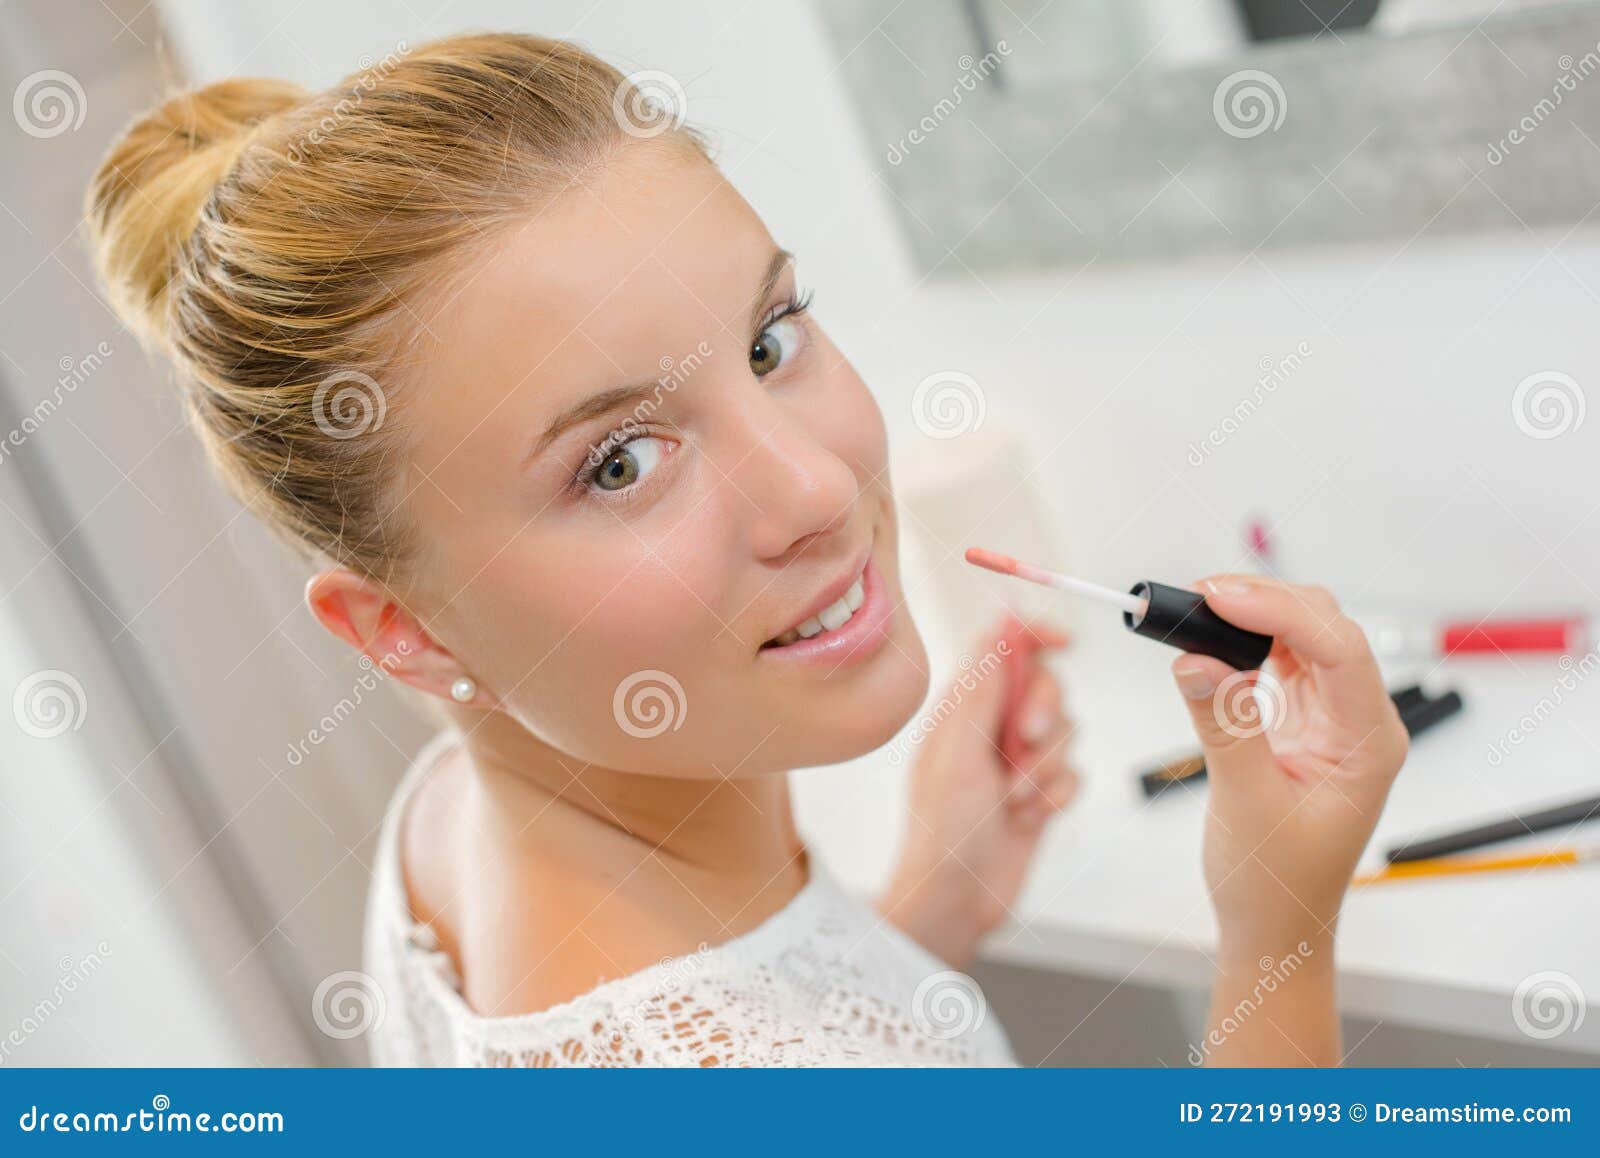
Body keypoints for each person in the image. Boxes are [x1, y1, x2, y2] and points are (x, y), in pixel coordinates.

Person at [86, 32, 1408, 1066]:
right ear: (404, 631)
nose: (819, 484)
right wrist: (1278, 926)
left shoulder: (455, 821)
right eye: (619, 463)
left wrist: (917, 919)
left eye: (770, 341)